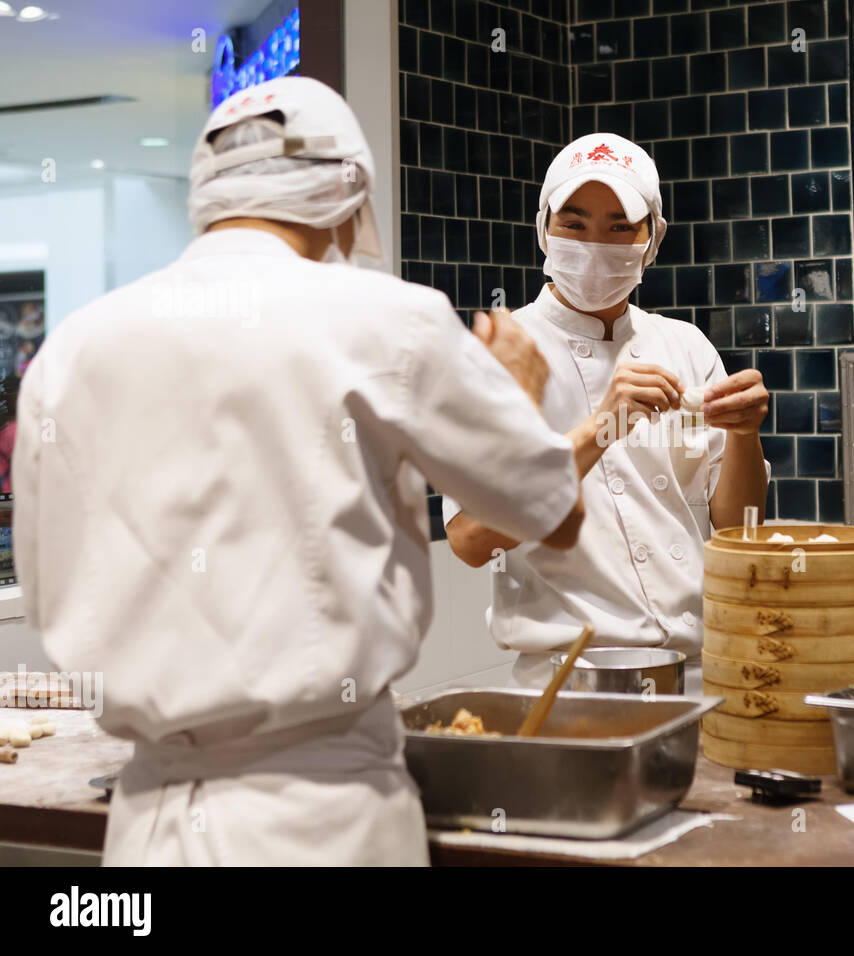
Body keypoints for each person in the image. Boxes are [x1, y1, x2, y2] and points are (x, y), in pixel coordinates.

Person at [11, 77, 585, 866]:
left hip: (143, 825)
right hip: (325, 819)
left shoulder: (69, 351)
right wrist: (515, 397)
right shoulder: (389, 318)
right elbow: (554, 514)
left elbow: (46, 591)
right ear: (349, 200)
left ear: (206, 197)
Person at [444, 133, 770, 691]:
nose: (597, 244)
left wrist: (744, 435)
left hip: (698, 678)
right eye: (574, 224)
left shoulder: (686, 348)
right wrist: (602, 427)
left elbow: (738, 526)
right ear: (544, 228)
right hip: (567, 688)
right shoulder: (501, 352)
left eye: (621, 227)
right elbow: (472, 541)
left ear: (653, 240)